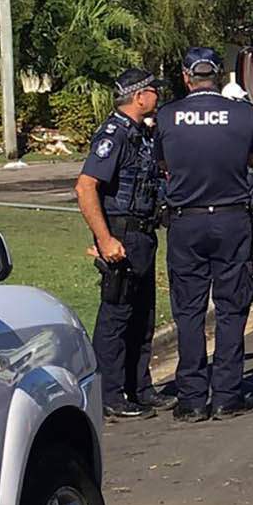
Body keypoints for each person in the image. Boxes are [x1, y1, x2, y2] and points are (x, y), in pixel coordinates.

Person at [157, 47, 253, 422]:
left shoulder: (167, 116)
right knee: (231, 307)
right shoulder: (242, 114)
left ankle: (192, 398)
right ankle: (226, 394)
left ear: (186, 76)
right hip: (230, 219)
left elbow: (164, 165)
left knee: (188, 311)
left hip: (185, 221)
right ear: (219, 76)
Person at [74, 68, 172, 420]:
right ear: (138, 96)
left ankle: (141, 388)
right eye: (153, 92)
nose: (157, 97)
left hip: (142, 234)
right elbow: (85, 187)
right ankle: (110, 394)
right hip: (122, 234)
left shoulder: (138, 134)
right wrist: (105, 239)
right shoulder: (113, 134)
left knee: (143, 315)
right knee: (117, 315)